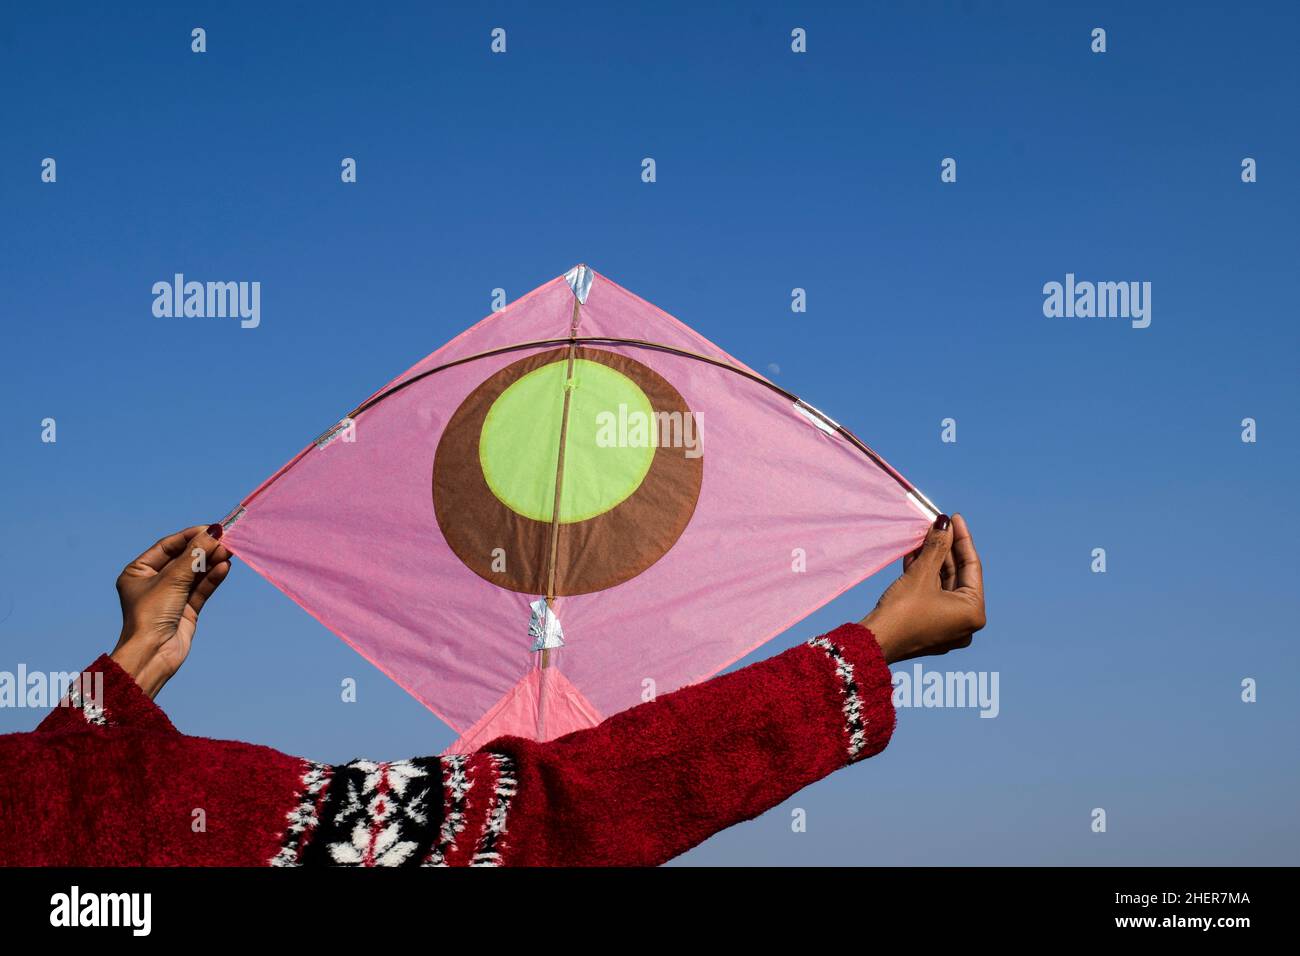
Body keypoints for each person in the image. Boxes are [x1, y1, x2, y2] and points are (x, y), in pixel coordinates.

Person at [0, 514, 984, 867]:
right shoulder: (155, 819)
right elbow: (540, 821)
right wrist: (864, 654)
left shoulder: (70, 798)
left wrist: (130, 667)